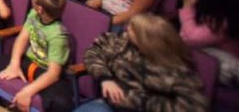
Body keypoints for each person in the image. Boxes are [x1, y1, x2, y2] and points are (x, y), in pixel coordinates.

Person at [76, 14, 207, 112]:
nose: (127, 29)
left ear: (145, 39)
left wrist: (140, 101)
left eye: (132, 29)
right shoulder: (120, 42)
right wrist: (105, 79)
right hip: (109, 105)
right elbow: (94, 53)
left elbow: (194, 105)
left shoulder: (173, 68)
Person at [0, 0, 74, 112]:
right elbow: (22, 38)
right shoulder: (34, 14)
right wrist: (14, 64)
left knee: (60, 103)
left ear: (40, 8)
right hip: (28, 62)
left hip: (44, 70)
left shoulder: (58, 35)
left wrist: (28, 91)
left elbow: (53, 73)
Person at [179, 0, 239, 82]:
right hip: (215, 53)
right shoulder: (211, 8)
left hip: (231, 66)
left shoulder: (223, 21)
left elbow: (190, 39)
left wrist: (187, 5)